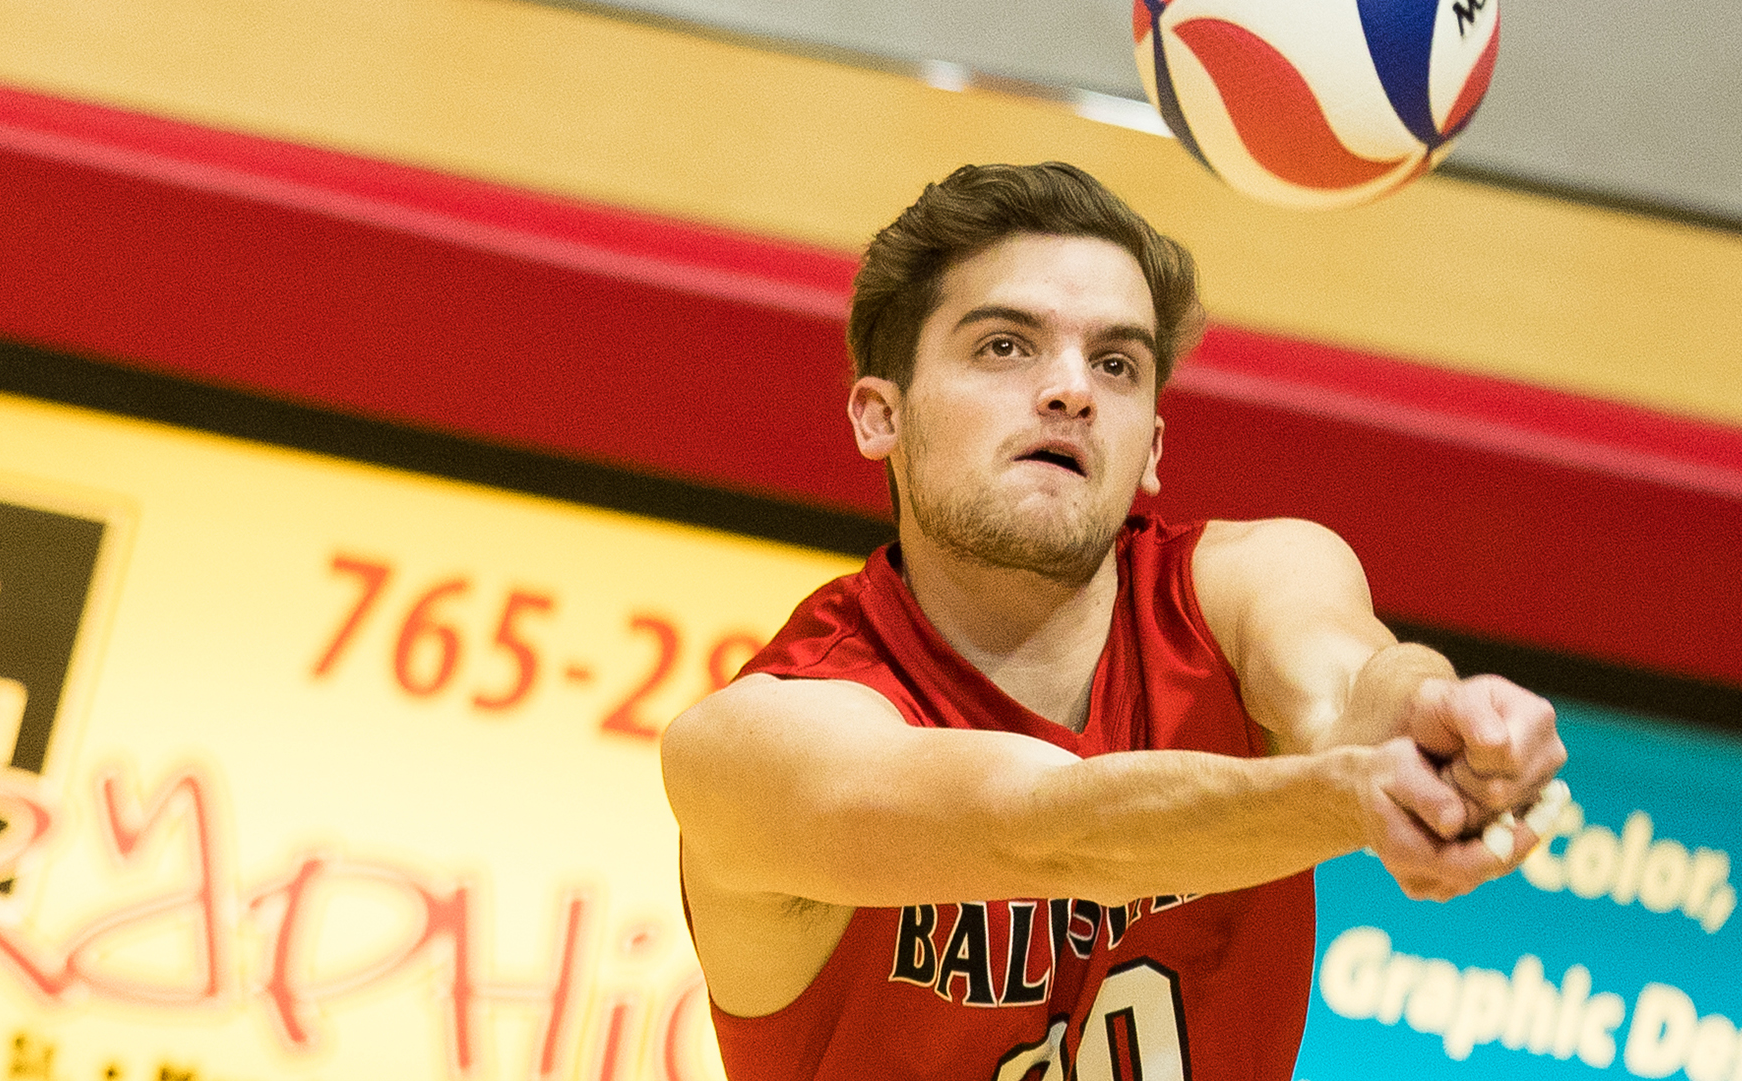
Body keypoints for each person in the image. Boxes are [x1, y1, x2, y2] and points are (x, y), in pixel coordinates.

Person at [659, 162, 1564, 1081]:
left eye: (1117, 364)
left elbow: (1353, 685)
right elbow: (1049, 828)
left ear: (1155, 445)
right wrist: (1348, 794)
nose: (1071, 391)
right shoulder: (756, 744)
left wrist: (1438, 722)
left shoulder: (1248, 584)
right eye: (1005, 347)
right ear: (879, 414)